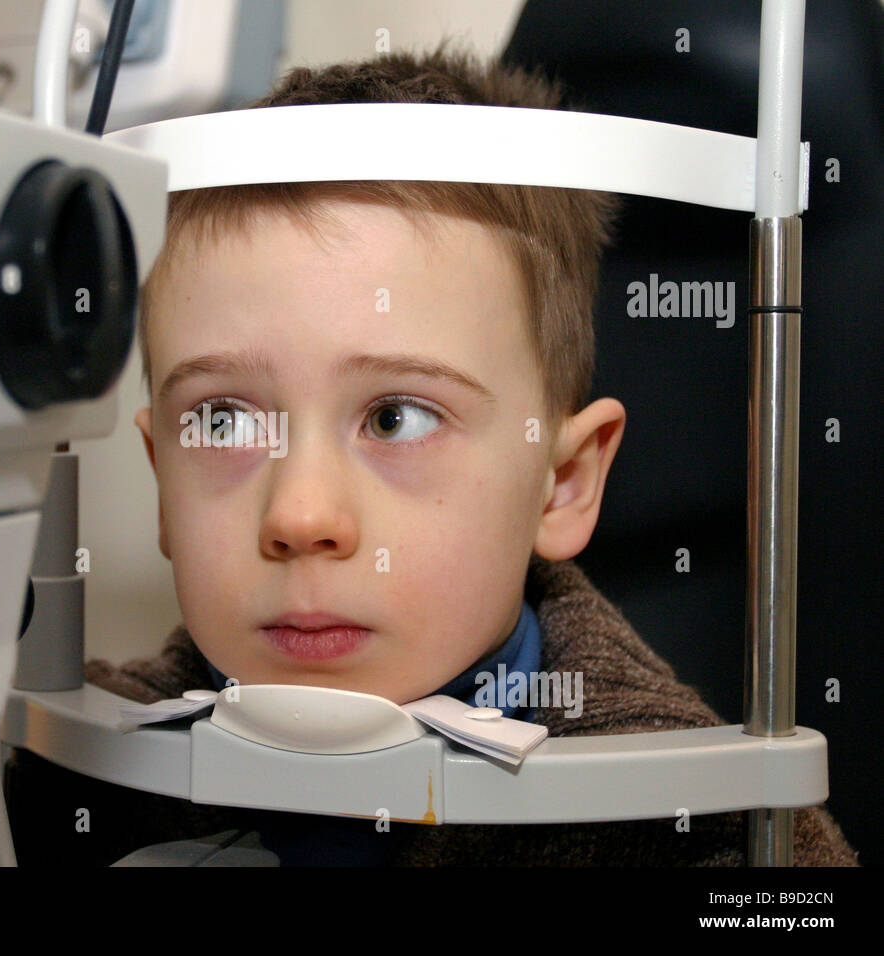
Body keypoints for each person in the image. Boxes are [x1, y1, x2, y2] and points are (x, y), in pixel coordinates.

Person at [73, 41, 858, 866]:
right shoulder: (71, 777)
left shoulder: (698, 836)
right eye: (225, 421)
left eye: (395, 418)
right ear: (163, 481)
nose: (300, 517)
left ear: (561, 483)